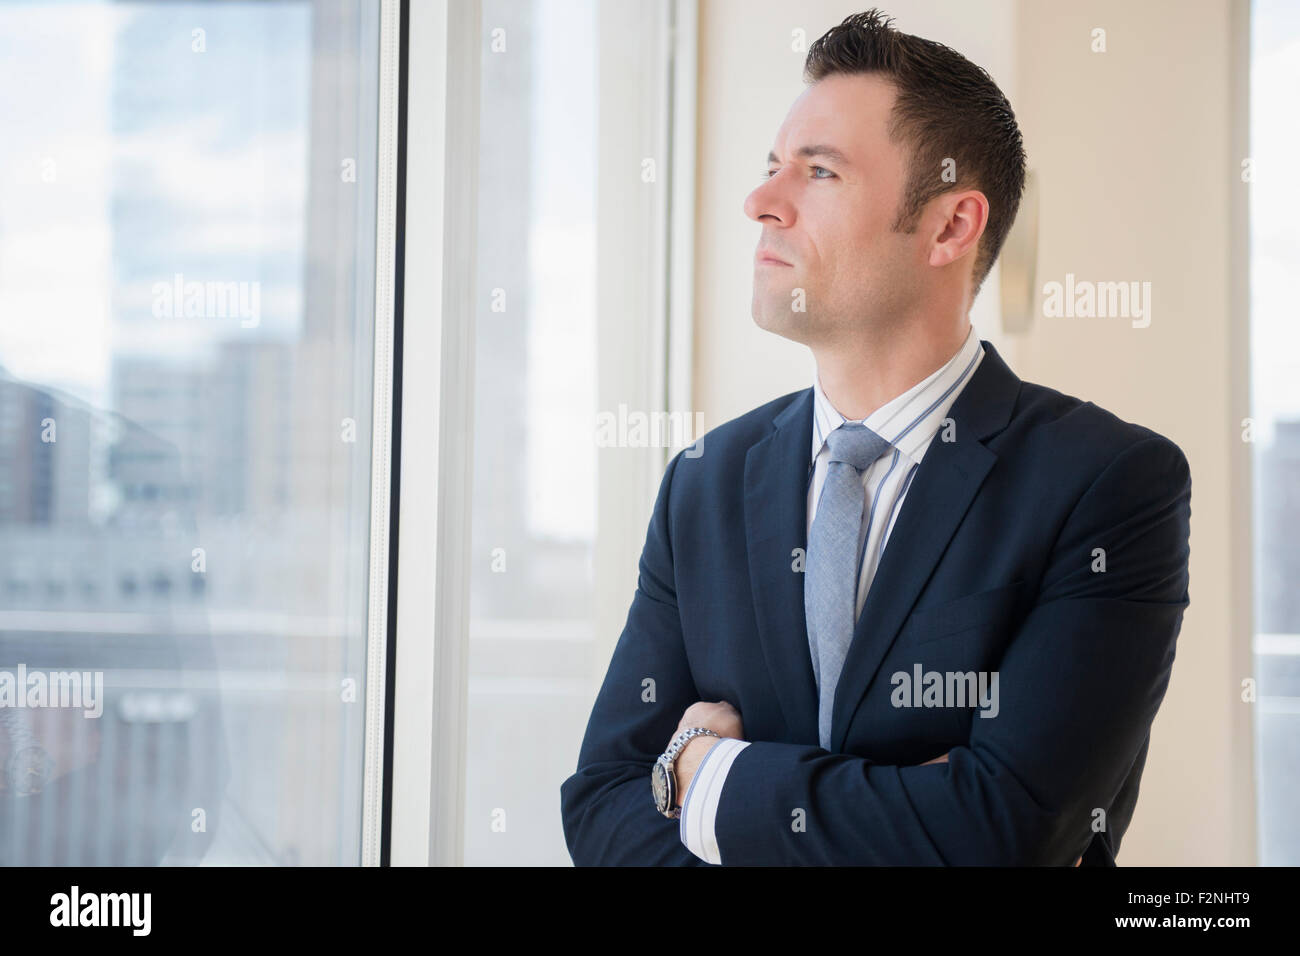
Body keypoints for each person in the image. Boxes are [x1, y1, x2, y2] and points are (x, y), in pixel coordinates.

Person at [560, 8, 1191, 866]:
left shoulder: (1109, 484)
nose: (760, 202)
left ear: (950, 226)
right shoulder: (705, 482)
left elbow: (1000, 830)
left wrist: (701, 773)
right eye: (771, 167)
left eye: (817, 172)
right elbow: (601, 803)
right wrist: (904, 809)